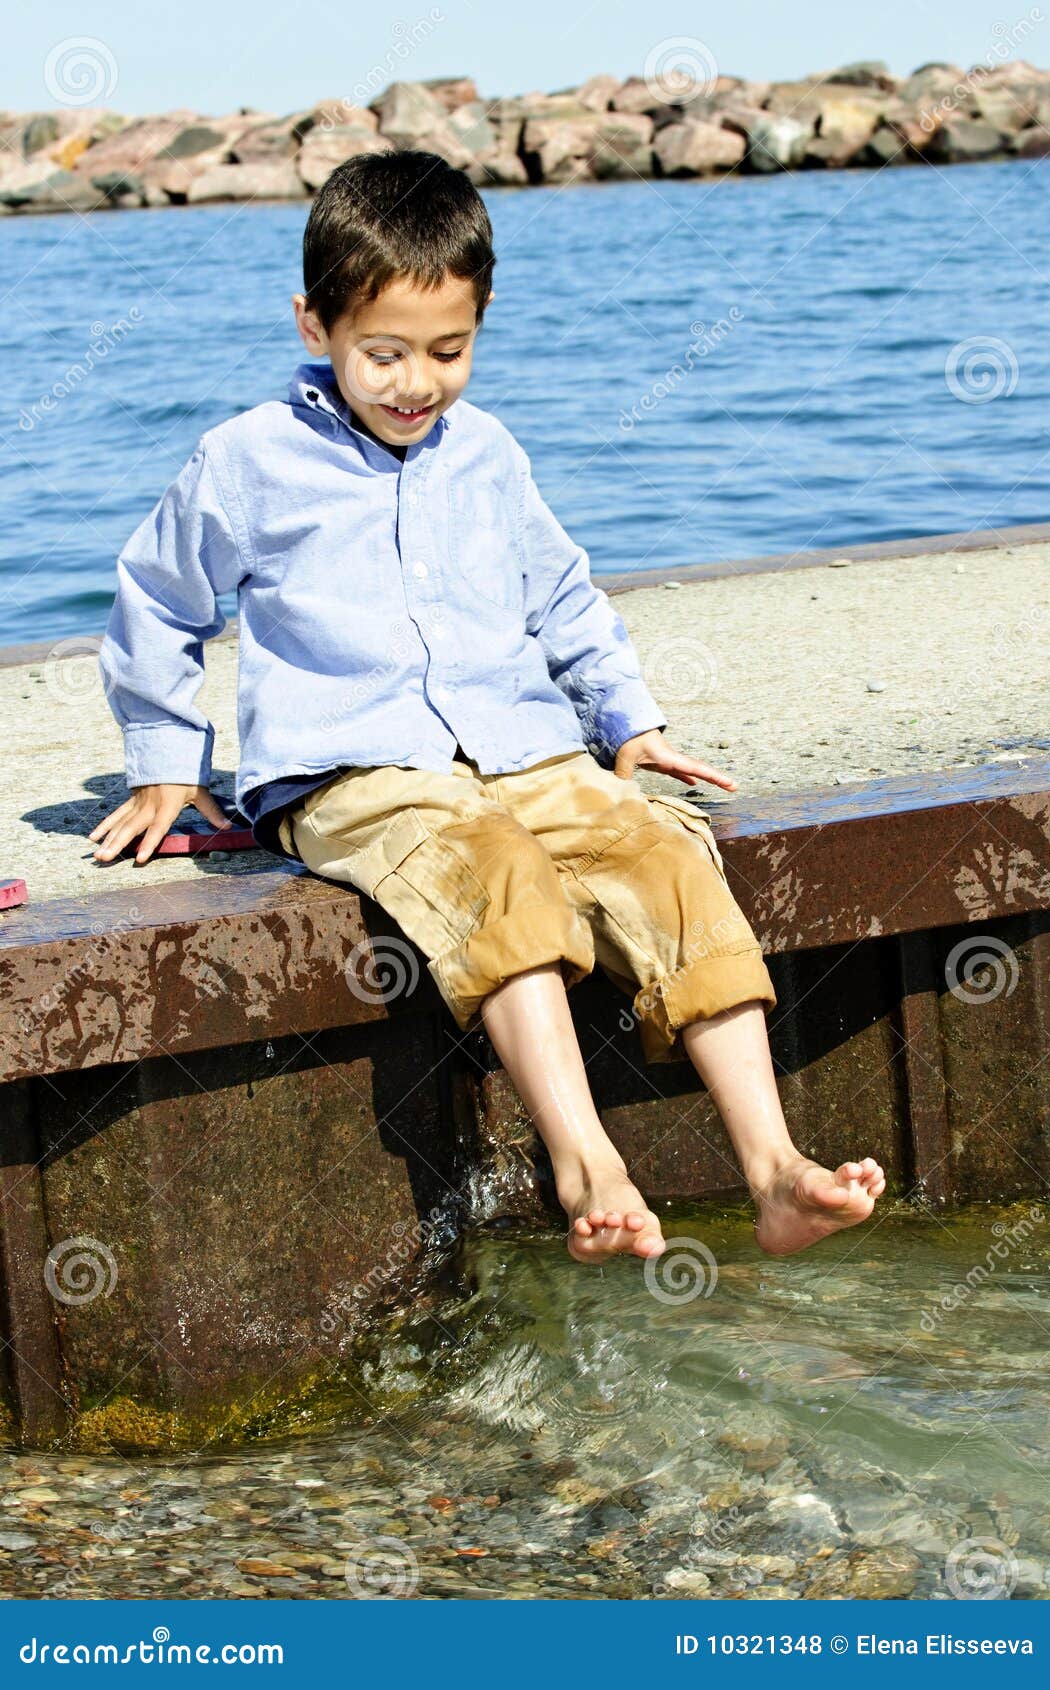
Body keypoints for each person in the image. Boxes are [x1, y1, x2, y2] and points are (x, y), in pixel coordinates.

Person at [90, 149, 885, 1265]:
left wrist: (625, 721)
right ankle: (586, 1164)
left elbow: (561, 595)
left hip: (521, 745)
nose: (417, 382)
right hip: (354, 769)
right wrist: (167, 760)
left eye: (448, 351)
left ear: (481, 321)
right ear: (313, 326)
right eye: (385, 354)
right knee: (490, 863)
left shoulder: (489, 455)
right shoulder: (248, 460)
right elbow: (157, 595)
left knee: (661, 855)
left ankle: (773, 1167)